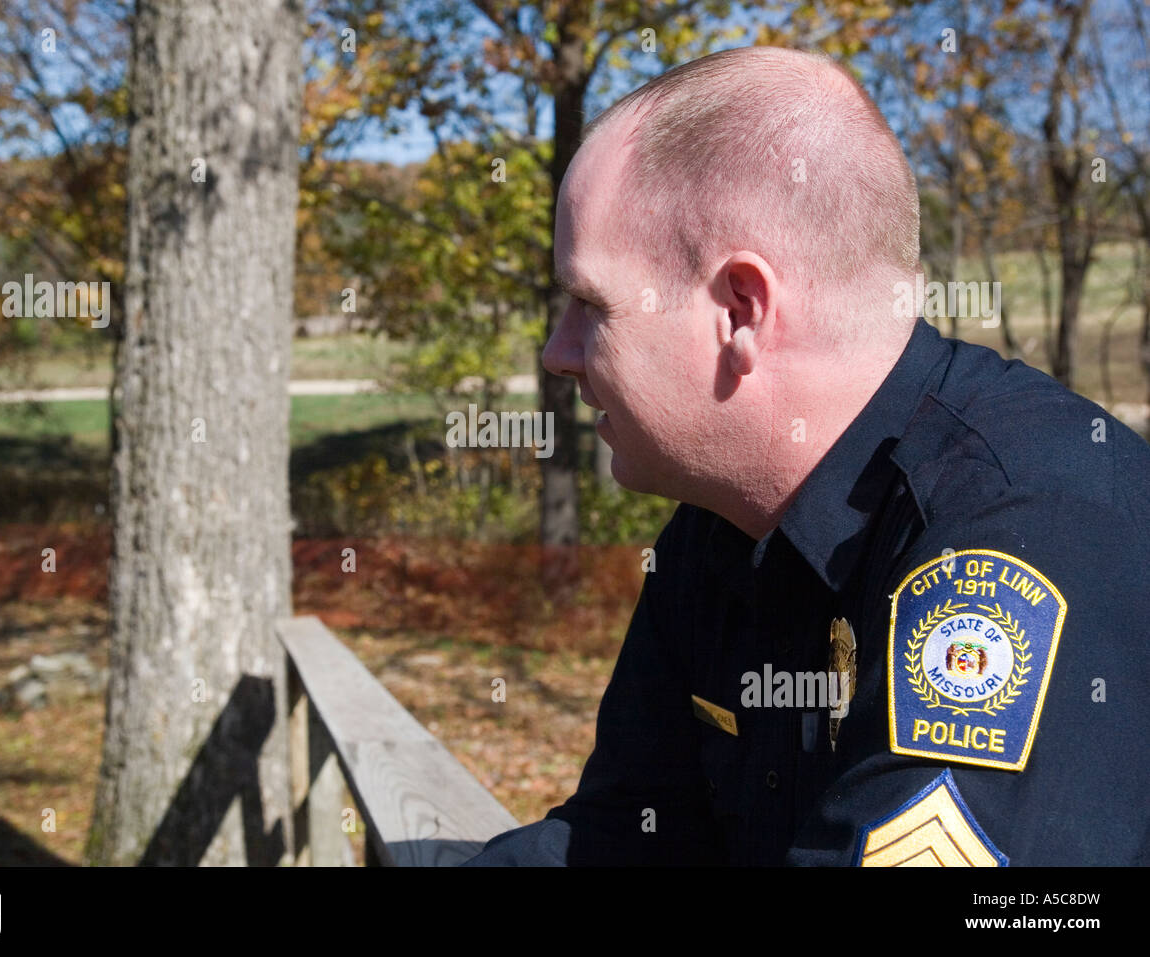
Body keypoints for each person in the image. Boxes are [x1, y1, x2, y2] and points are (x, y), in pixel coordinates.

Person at [463, 45, 1150, 866]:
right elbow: (629, 837)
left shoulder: (1022, 532)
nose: (557, 353)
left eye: (587, 305)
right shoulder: (716, 533)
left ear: (741, 309)